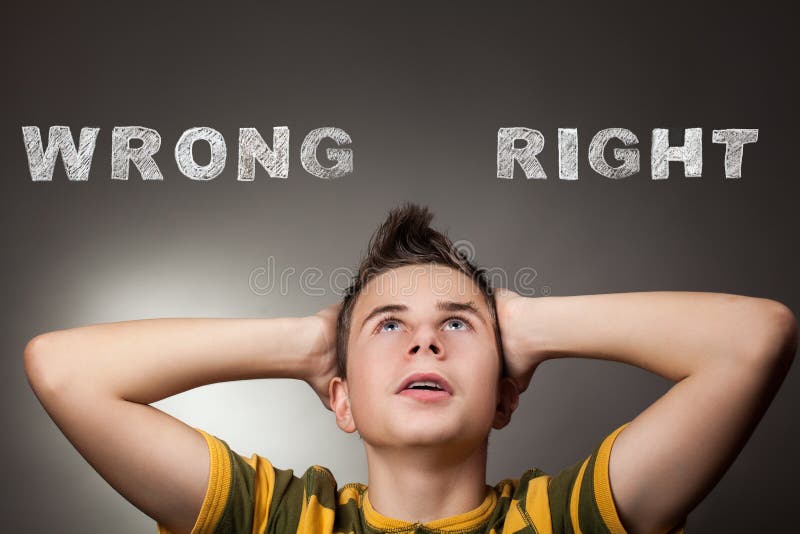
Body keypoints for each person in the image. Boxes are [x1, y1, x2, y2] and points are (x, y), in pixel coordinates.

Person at [24, 203, 797, 534]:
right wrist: (305, 342)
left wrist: (524, 323)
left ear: (504, 397)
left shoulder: (567, 520)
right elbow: (62, 369)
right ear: (343, 400)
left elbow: (756, 340)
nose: (424, 345)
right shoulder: (278, 519)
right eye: (389, 327)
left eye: (455, 327)